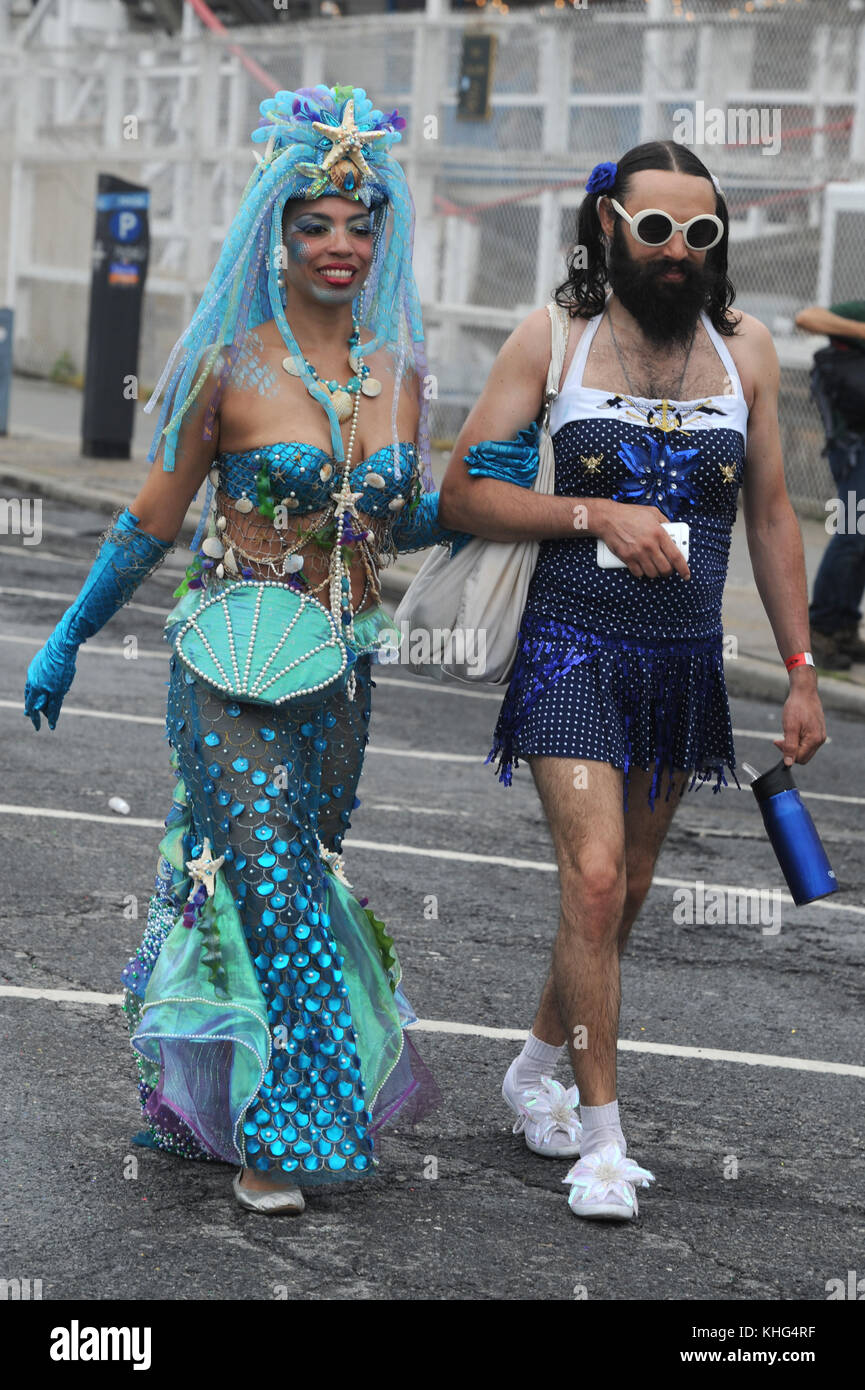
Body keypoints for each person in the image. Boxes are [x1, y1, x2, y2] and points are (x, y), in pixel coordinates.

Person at [23, 84, 461, 1215]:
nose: (340, 244)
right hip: (225, 669)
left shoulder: (405, 377)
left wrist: (548, 509)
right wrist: (66, 638)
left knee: (258, 881)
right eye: (314, 221)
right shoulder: (225, 365)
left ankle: (203, 1096)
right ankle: (298, 1130)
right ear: (274, 231)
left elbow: (411, 520)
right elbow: (147, 522)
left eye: (360, 222)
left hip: (339, 683)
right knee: (274, 887)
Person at [439, 141, 826, 1221]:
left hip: (682, 666)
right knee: (598, 880)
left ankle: (529, 1070)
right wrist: (589, 511)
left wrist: (799, 669)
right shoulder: (551, 338)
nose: (674, 252)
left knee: (622, 895)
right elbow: (461, 491)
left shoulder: (744, 350)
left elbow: (772, 514)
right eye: (654, 229)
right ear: (607, 222)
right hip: (570, 646)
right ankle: (603, 1144)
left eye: (698, 234)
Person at [795, 299, 865, 670]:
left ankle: (843, 626)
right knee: (853, 532)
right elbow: (806, 317)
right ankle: (821, 628)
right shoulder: (860, 310)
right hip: (854, 445)